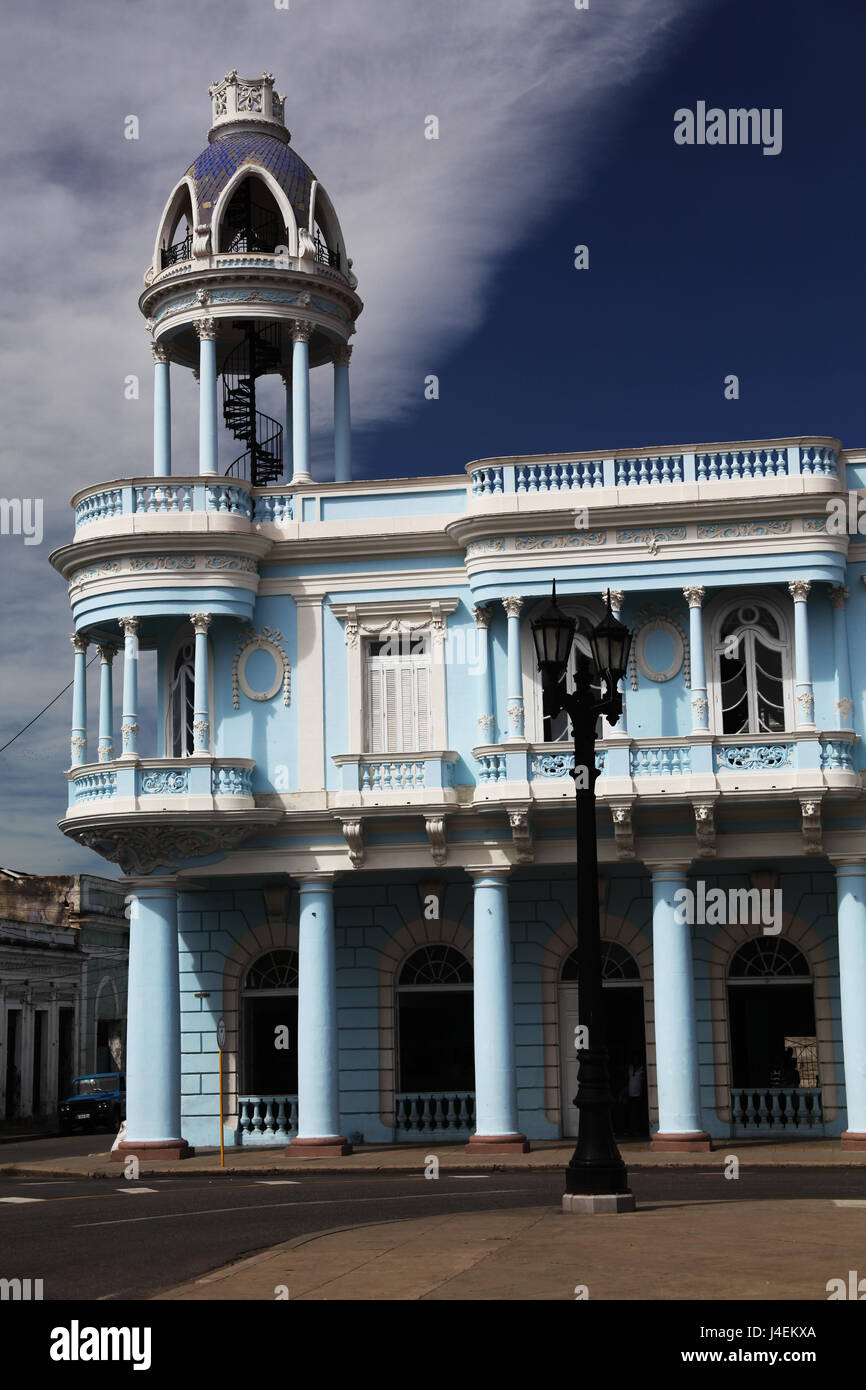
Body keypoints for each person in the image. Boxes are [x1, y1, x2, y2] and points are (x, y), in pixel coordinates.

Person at [626, 1049, 646, 1136]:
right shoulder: (630, 1068)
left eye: (637, 1059)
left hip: (638, 1094)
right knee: (631, 1113)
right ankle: (632, 1130)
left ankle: (638, 1130)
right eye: (634, 1059)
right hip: (631, 1094)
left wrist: (642, 1092)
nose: (635, 1060)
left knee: (637, 1112)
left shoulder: (641, 1069)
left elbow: (643, 1082)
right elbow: (628, 1080)